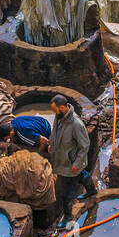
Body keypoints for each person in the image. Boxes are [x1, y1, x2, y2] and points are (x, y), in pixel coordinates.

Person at [49, 93, 92, 221]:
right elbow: (54, 132)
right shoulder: (59, 117)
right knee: (82, 175)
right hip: (62, 159)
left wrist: (77, 164)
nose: (54, 112)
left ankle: (68, 217)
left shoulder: (76, 124)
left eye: (55, 110)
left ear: (62, 107)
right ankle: (92, 191)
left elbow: (85, 145)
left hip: (70, 164)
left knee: (66, 193)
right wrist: (52, 144)